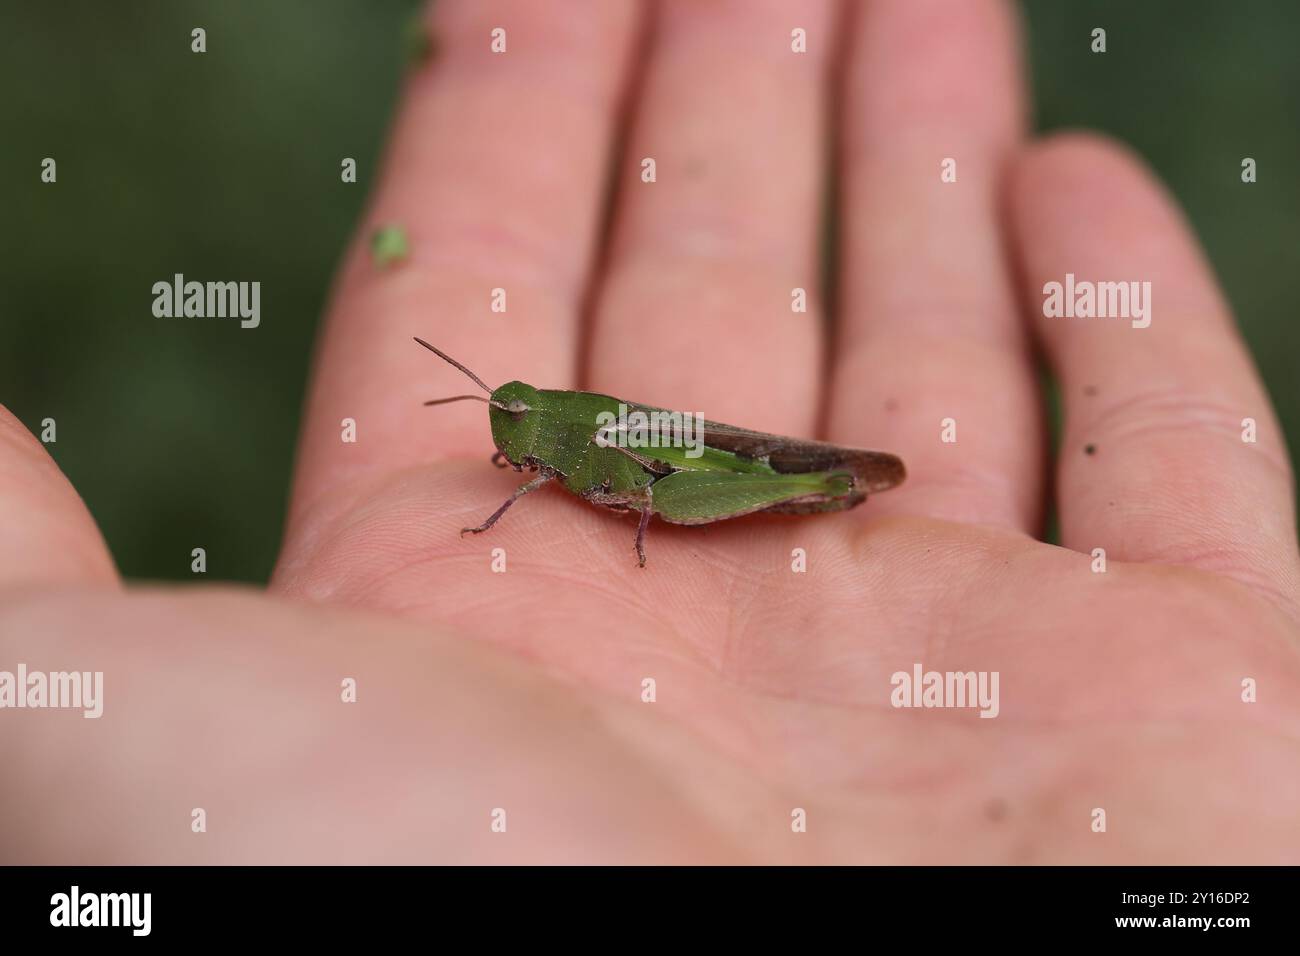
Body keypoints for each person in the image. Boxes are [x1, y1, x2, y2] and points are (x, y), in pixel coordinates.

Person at [2, 0, 1296, 863]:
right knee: (663, 478)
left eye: (514, 421)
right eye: (505, 425)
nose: (509, 439)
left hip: (697, 467)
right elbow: (542, 456)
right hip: (650, 442)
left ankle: (831, 483)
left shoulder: (568, 451)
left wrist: (653, 486)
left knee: (689, 484)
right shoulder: (539, 441)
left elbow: (611, 465)